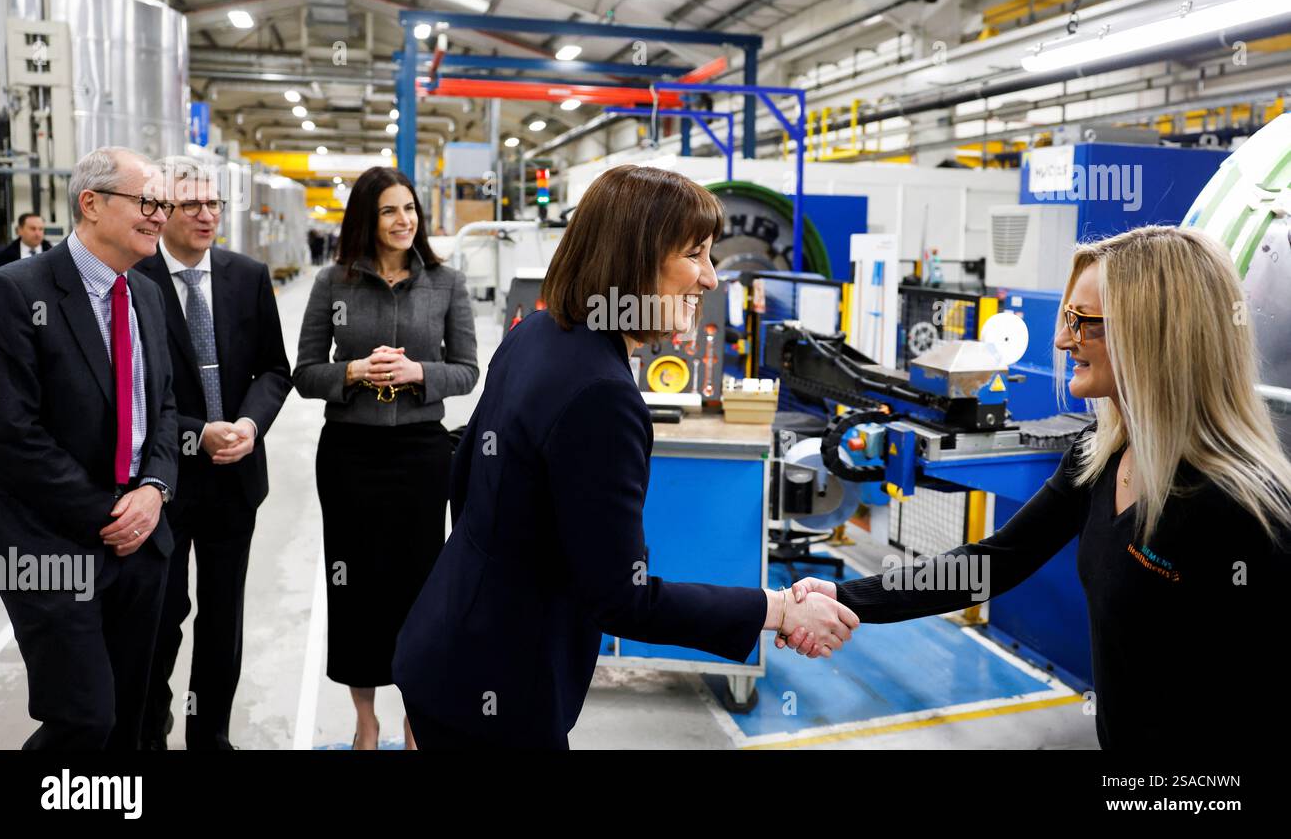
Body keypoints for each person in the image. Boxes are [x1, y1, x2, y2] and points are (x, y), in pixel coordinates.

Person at [392, 164, 860, 750]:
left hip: (446, 652)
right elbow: (622, 598)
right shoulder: (602, 395)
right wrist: (779, 610)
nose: (711, 280)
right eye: (695, 255)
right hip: (502, 690)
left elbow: (467, 485)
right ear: (633, 262)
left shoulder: (536, 333)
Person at [779, 225, 1291, 749]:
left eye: (1084, 322)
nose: (1063, 339)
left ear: (1157, 334)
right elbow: (995, 562)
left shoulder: (1243, 508)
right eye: (1068, 318)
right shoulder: (1101, 455)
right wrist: (844, 598)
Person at [0, 147, 179, 749]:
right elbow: (11, 436)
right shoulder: (15, 293)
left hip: (141, 541)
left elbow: (165, 409)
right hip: (51, 544)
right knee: (81, 719)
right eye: (147, 202)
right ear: (91, 204)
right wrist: (109, 512)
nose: (159, 216)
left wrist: (154, 490)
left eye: (163, 204)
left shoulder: (146, 293)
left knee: (131, 714)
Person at [293, 166, 479, 750]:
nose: (405, 221)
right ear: (367, 220)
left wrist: (419, 372)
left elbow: (469, 370)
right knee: (355, 589)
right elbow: (303, 373)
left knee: (421, 587)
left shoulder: (446, 282)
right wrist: (351, 371)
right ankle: (365, 719)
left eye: (410, 209)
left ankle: (414, 710)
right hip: (350, 454)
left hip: (421, 454)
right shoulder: (333, 283)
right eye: (390, 211)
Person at [133, 156, 292, 750]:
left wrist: (250, 424)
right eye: (192, 205)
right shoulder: (137, 277)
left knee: (223, 617)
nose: (207, 215)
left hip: (235, 477)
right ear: (162, 212)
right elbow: (137, 391)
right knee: (161, 614)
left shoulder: (245, 275)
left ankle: (211, 736)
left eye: (215, 204)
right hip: (162, 481)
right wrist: (198, 432)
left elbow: (274, 368)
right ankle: (149, 730)